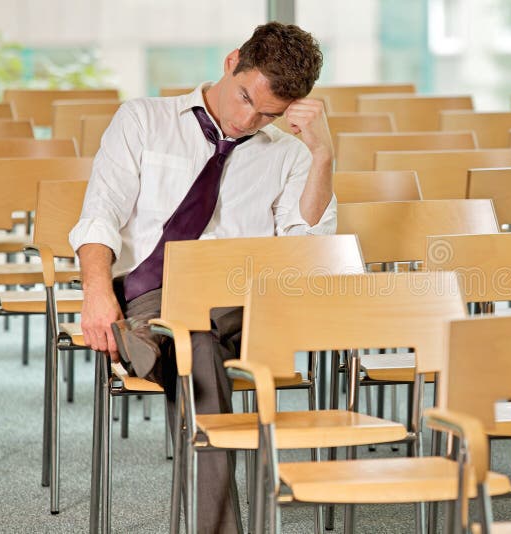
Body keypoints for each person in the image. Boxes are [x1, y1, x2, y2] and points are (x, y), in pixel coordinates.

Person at [69, 22, 336, 533]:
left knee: (192, 342)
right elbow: (100, 213)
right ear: (232, 61)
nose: (247, 120)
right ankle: (152, 333)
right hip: (157, 294)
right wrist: (97, 293)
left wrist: (322, 155)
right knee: (196, 344)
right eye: (246, 98)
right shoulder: (143, 119)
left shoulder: (289, 153)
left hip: (247, 305)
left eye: (270, 114)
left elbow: (308, 249)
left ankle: (148, 343)